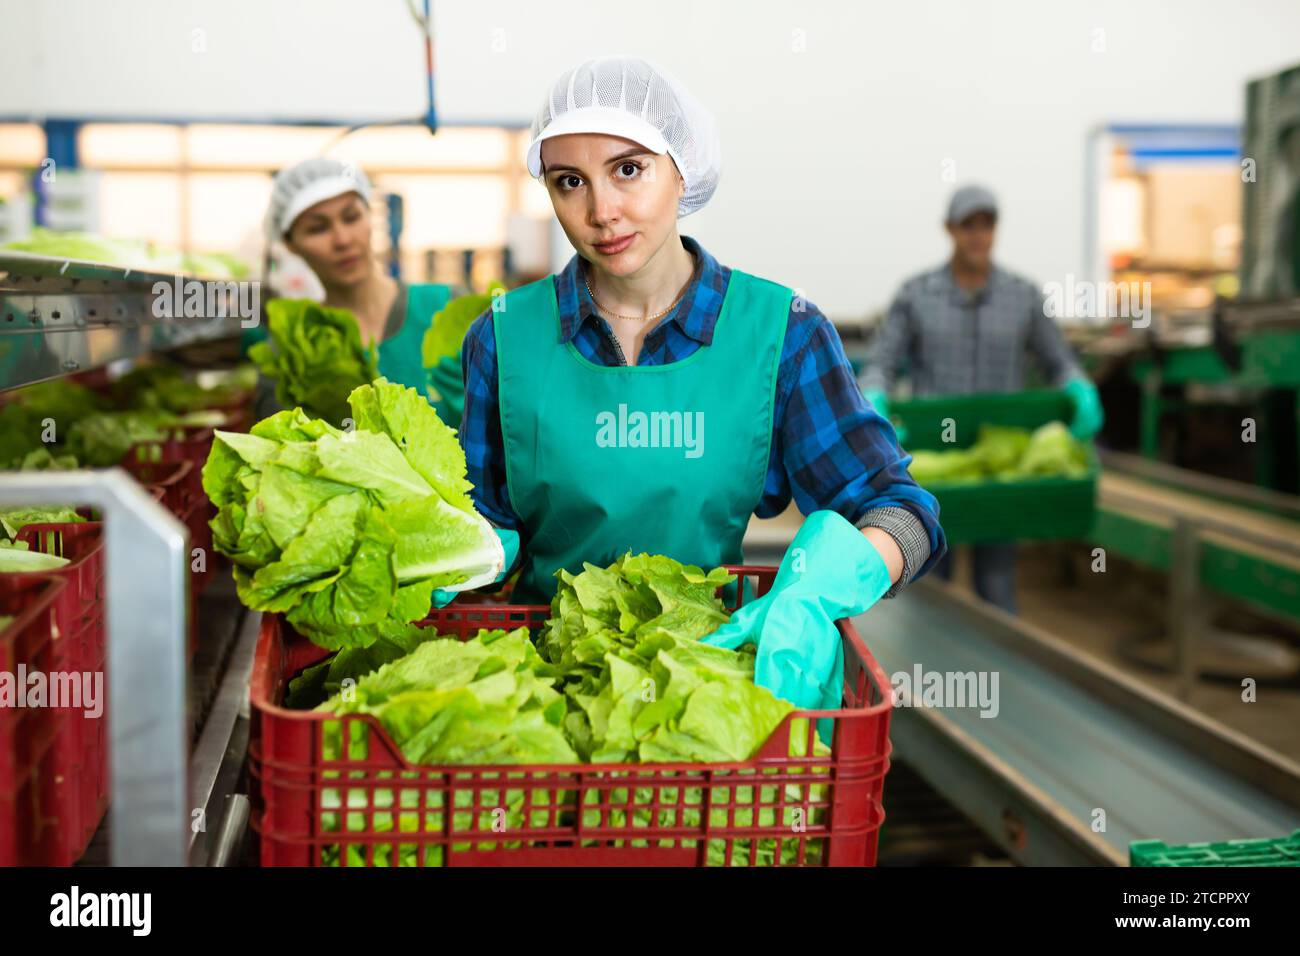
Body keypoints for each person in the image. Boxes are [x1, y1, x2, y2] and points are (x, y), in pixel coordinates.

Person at [451, 55, 946, 713]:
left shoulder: (780, 333)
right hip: (544, 696)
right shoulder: (503, 337)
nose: (602, 211)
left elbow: (901, 510)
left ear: (682, 168)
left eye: (629, 169)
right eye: (570, 181)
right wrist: (460, 553)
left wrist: (820, 590)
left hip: (707, 690)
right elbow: (487, 519)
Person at [860, 184, 1104, 614]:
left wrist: (1078, 387)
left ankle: (995, 680)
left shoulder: (1022, 296)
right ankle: (933, 677)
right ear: (949, 229)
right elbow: (882, 362)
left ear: (995, 230)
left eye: (986, 224)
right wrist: (874, 395)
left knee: (997, 585)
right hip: (934, 467)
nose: (977, 234)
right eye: (967, 225)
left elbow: (1057, 359)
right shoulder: (916, 296)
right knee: (933, 587)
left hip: (997, 466)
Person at [257, 157, 464, 426]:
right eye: (318, 228)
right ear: (290, 243)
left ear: (369, 215)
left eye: (351, 217)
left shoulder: (451, 309)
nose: (342, 239)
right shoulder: (295, 349)